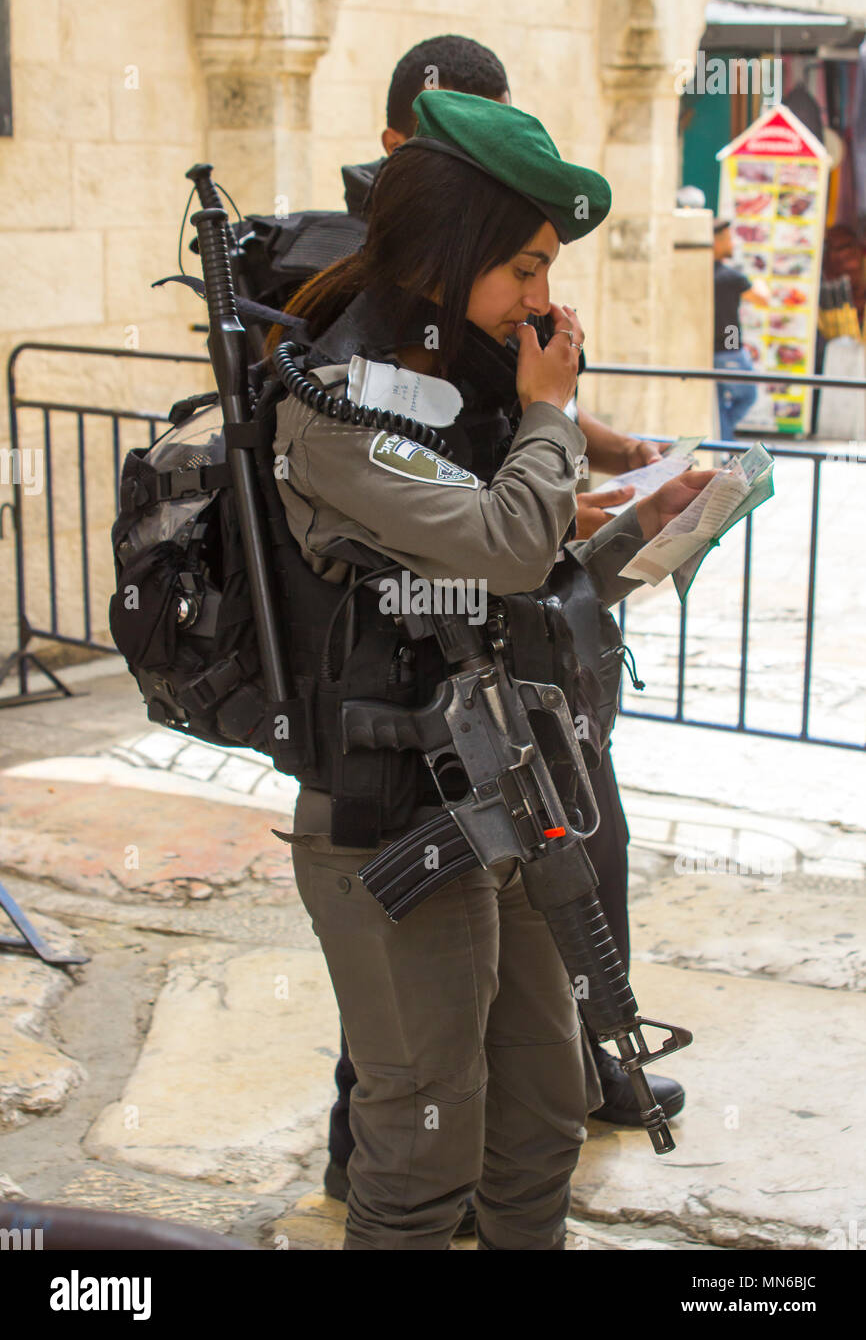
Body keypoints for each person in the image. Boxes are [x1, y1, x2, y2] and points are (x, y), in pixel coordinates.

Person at [271, 87, 714, 1249]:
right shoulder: (340, 392)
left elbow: (521, 572)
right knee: (422, 1143)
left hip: (511, 785)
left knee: (541, 1109)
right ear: (454, 245)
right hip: (393, 804)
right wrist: (551, 416)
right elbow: (507, 543)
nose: (541, 298)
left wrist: (649, 525)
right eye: (522, 266)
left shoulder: (464, 379)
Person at [713, 217, 769, 443]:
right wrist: (759, 278)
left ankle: (721, 444)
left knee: (718, 407)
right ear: (716, 241)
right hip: (729, 347)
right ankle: (724, 443)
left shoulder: (712, 273)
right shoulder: (731, 276)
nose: (733, 243)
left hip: (710, 350)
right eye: (728, 238)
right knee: (747, 396)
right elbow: (762, 298)